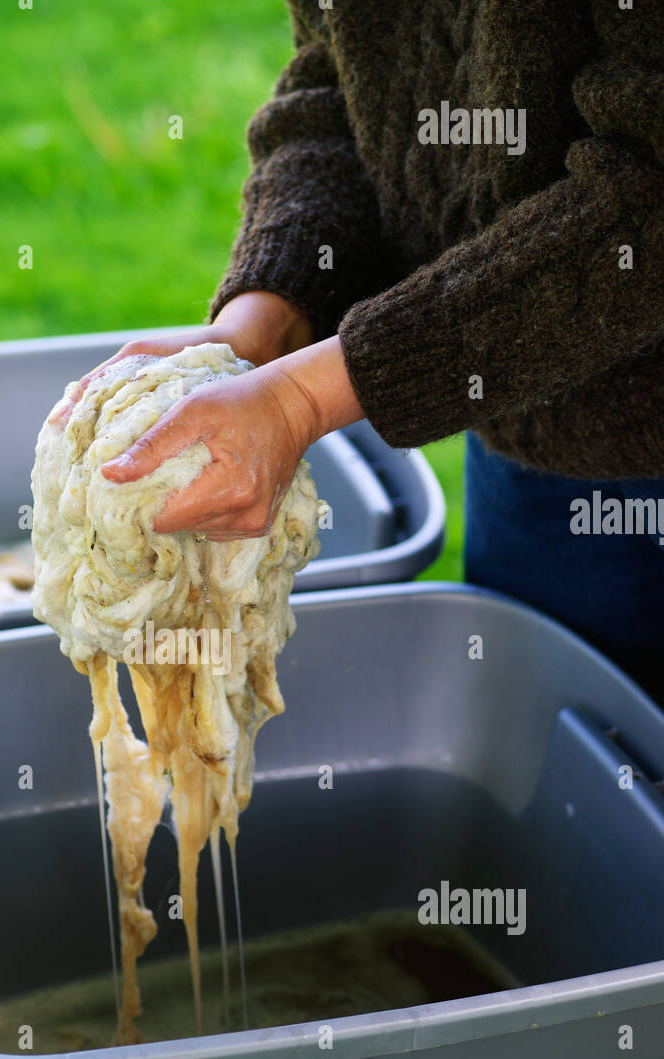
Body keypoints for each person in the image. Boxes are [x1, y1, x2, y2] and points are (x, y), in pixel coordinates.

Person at [50, 0, 664, 698]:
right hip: (532, 417)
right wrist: (263, 318)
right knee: (566, 760)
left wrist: (308, 395)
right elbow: (338, 88)